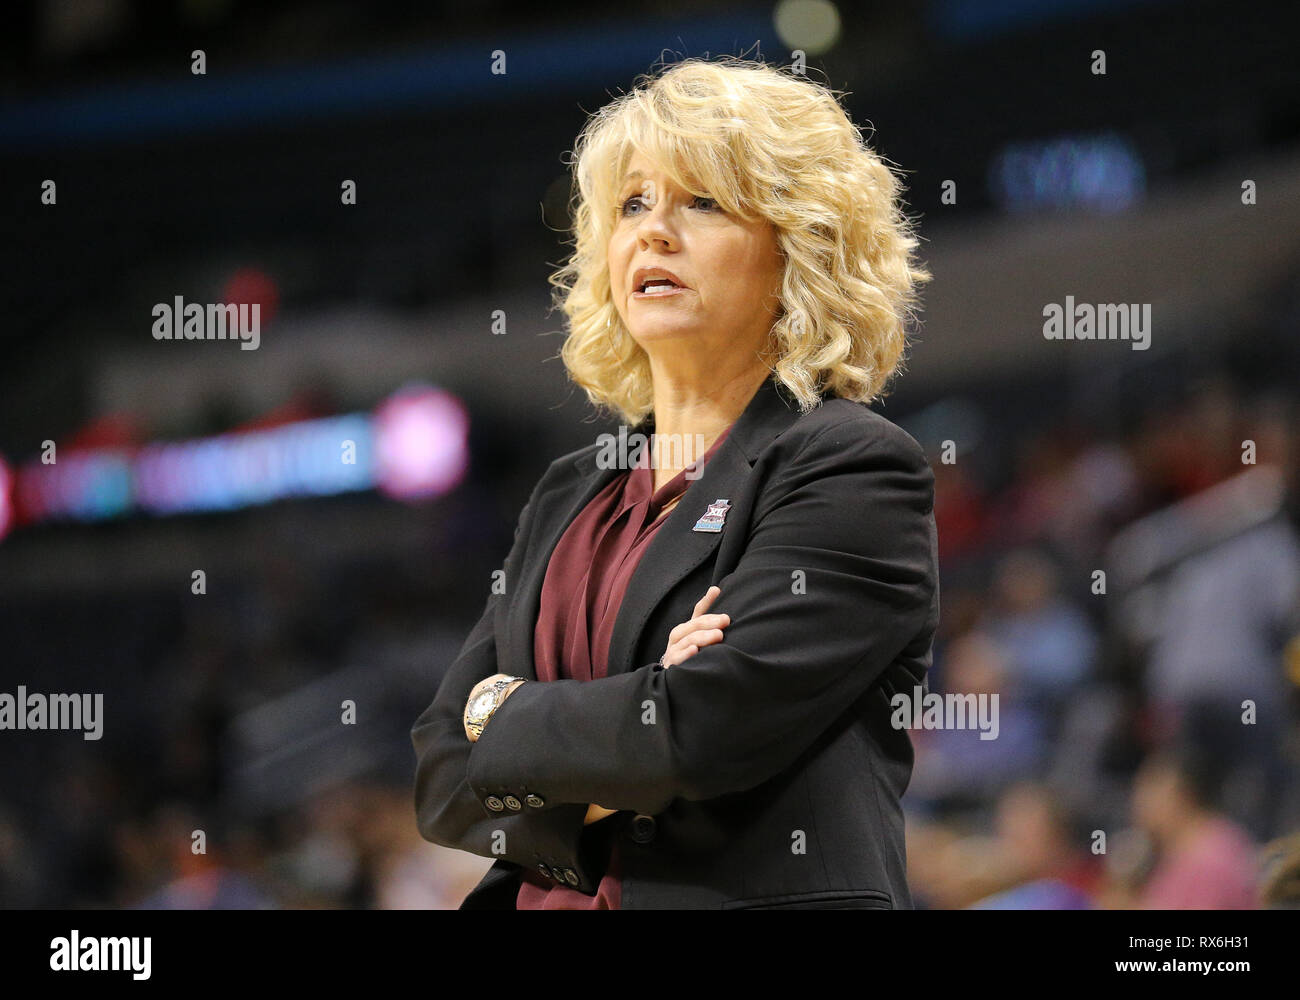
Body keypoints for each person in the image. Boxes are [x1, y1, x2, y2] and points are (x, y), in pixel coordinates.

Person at [410, 55, 938, 909]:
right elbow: (441, 774)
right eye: (632, 204)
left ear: (799, 245)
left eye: (702, 202)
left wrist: (503, 719)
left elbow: (696, 732)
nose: (654, 232)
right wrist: (641, 707)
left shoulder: (849, 464)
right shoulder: (569, 492)